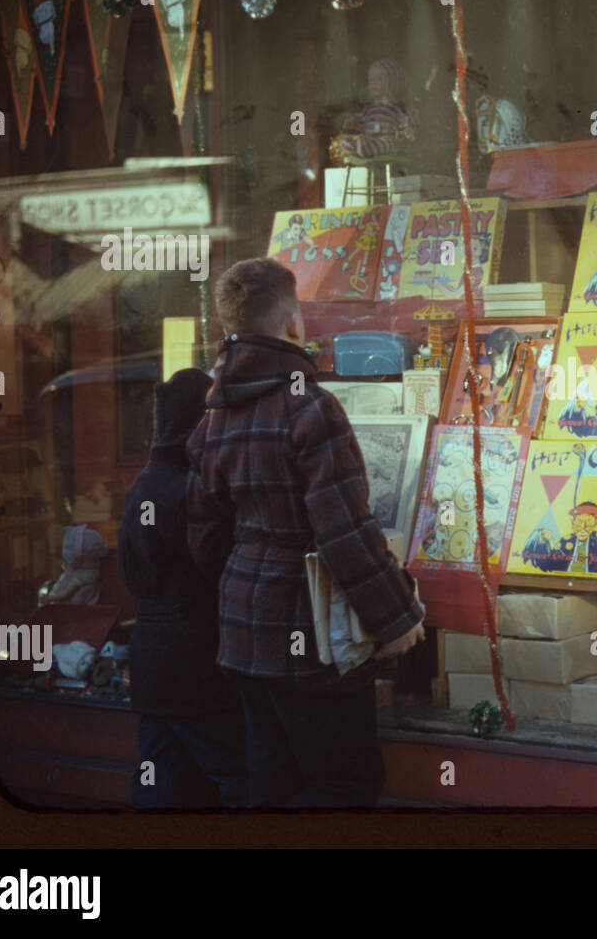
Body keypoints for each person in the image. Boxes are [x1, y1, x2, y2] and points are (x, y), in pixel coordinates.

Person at [187, 257, 425, 808]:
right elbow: (344, 531)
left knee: (271, 778)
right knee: (346, 782)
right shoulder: (311, 409)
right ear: (293, 323)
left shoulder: (212, 419)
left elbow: (204, 538)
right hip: (310, 632)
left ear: (228, 328)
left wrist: (247, 577)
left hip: (244, 630)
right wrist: (396, 620)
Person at [119, 369, 248, 809]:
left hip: (155, 663)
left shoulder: (146, 484)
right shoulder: (184, 488)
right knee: (237, 778)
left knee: (162, 781)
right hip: (191, 663)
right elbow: (205, 564)